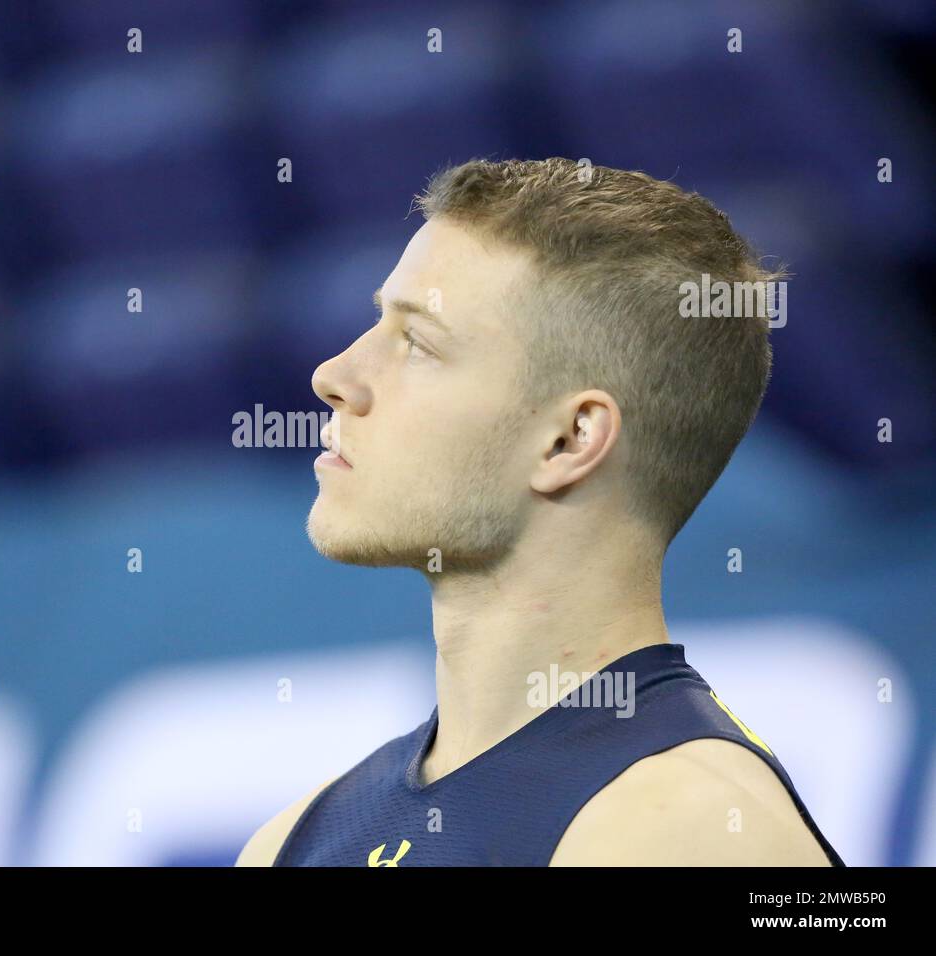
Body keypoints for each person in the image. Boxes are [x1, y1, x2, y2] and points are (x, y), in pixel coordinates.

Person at [237, 157, 844, 867]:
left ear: (569, 440)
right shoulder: (293, 840)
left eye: (419, 344)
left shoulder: (687, 831)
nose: (333, 376)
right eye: (379, 323)